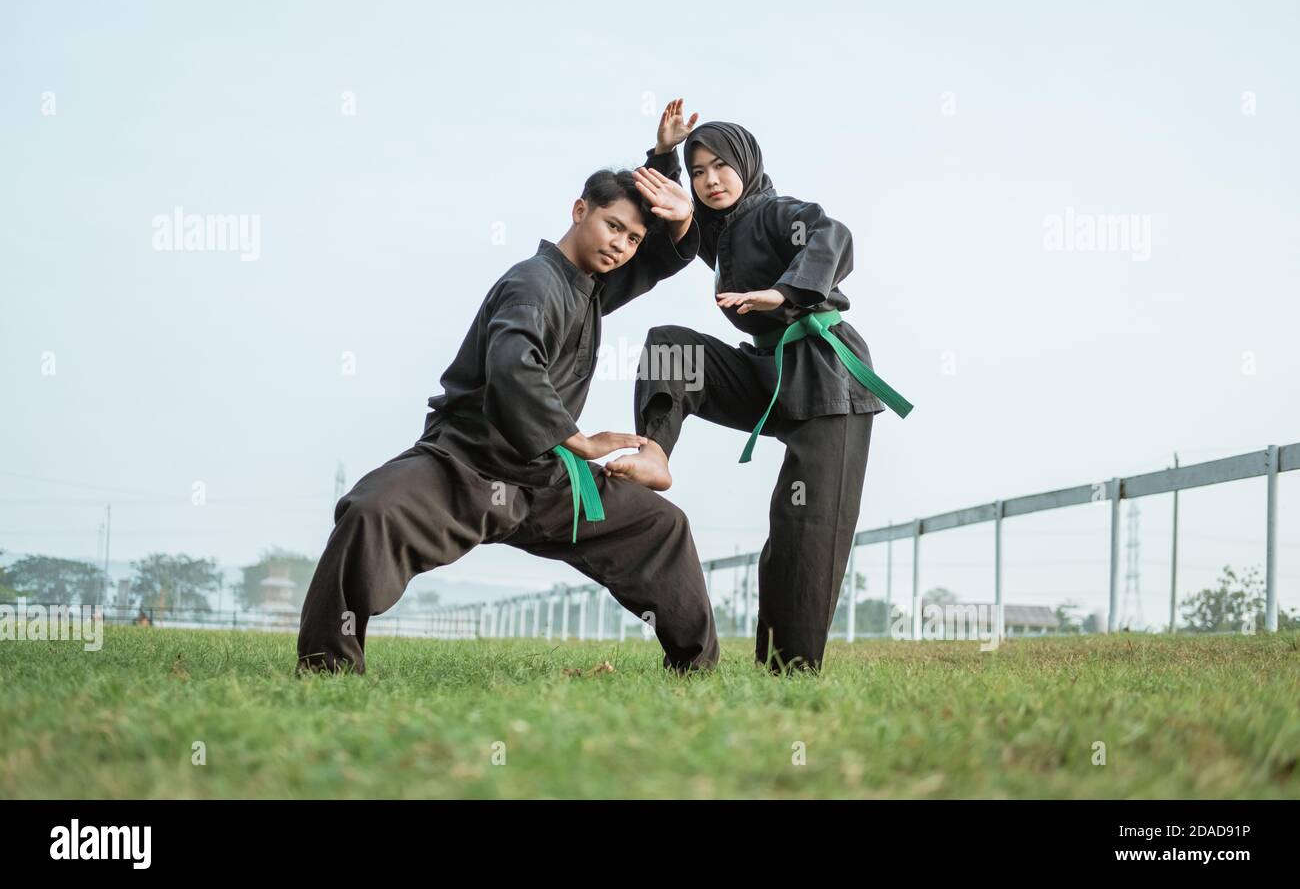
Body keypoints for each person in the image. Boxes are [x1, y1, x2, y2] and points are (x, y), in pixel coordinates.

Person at [297, 163, 720, 675]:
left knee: (661, 526)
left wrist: (663, 166)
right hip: (468, 466)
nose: (622, 246)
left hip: (546, 482)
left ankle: (695, 672)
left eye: (632, 239)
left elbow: (653, 254)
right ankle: (328, 669)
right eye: (613, 227)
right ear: (579, 209)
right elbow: (512, 365)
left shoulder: (591, 286)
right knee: (369, 511)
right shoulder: (533, 283)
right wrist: (576, 440)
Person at [606, 99, 912, 673]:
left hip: (829, 383)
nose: (709, 180)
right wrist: (664, 156)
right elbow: (675, 220)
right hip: (769, 374)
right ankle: (654, 451)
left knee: (801, 534)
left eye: (720, 166)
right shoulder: (721, 236)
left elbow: (833, 233)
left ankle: (788, 672)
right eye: (698, 172)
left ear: (746, 164)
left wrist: (788, 292)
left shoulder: (774, 212)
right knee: (673, 345)